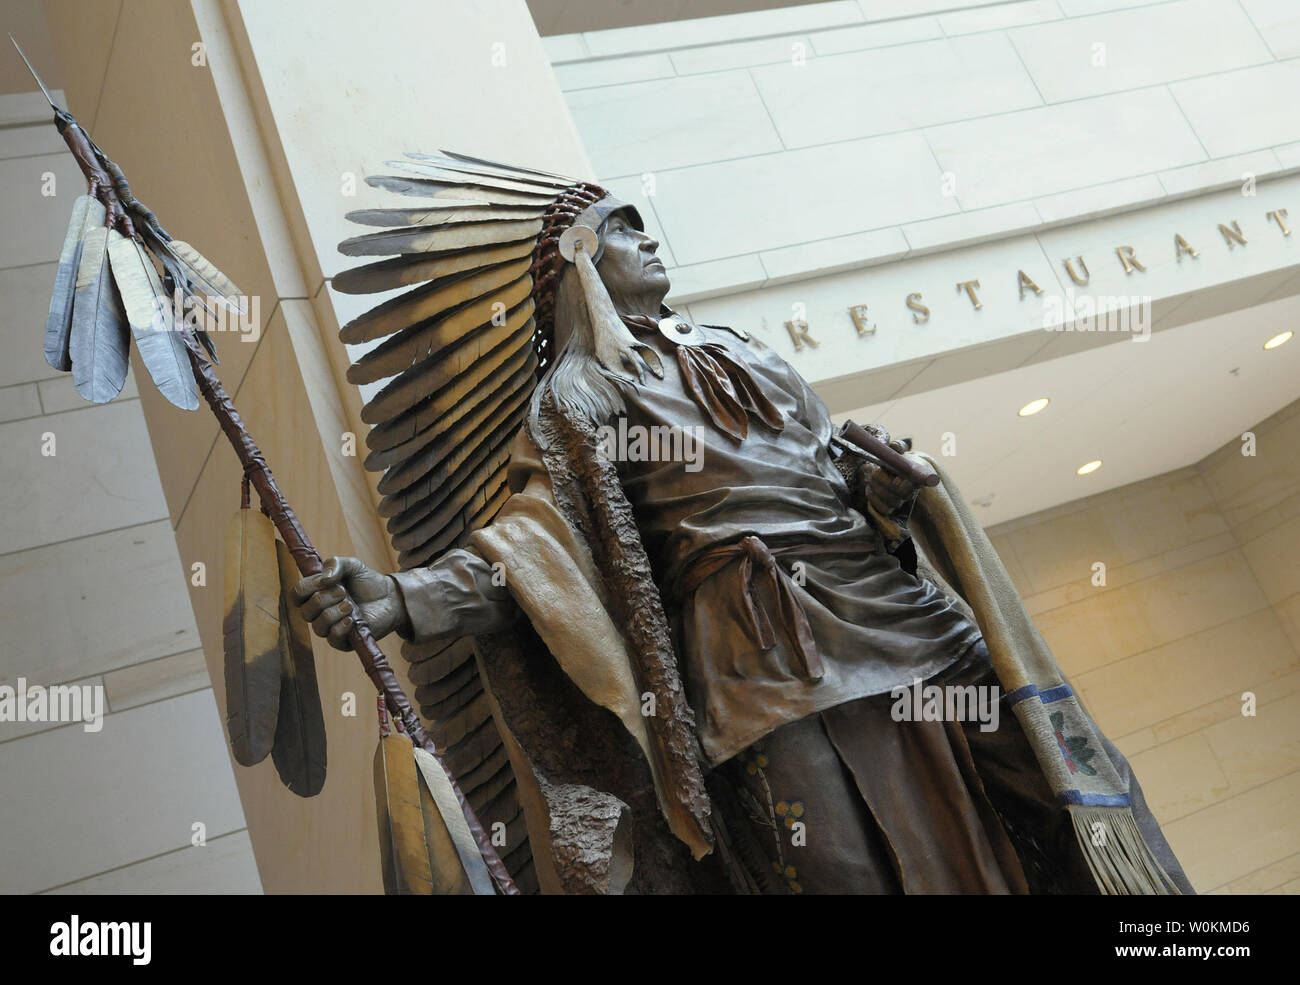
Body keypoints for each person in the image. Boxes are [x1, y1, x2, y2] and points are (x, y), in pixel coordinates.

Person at [295, 180, 1192, 895]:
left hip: (895, 612)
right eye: (626, 229)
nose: (650, 241)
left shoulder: (745, 351)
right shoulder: (578, 397)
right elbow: (540, 554)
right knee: (831, 867)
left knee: (1048, 780)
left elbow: (832, 471)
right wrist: (406, 595)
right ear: (580, 259)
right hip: (755, 657)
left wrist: (886, 492)